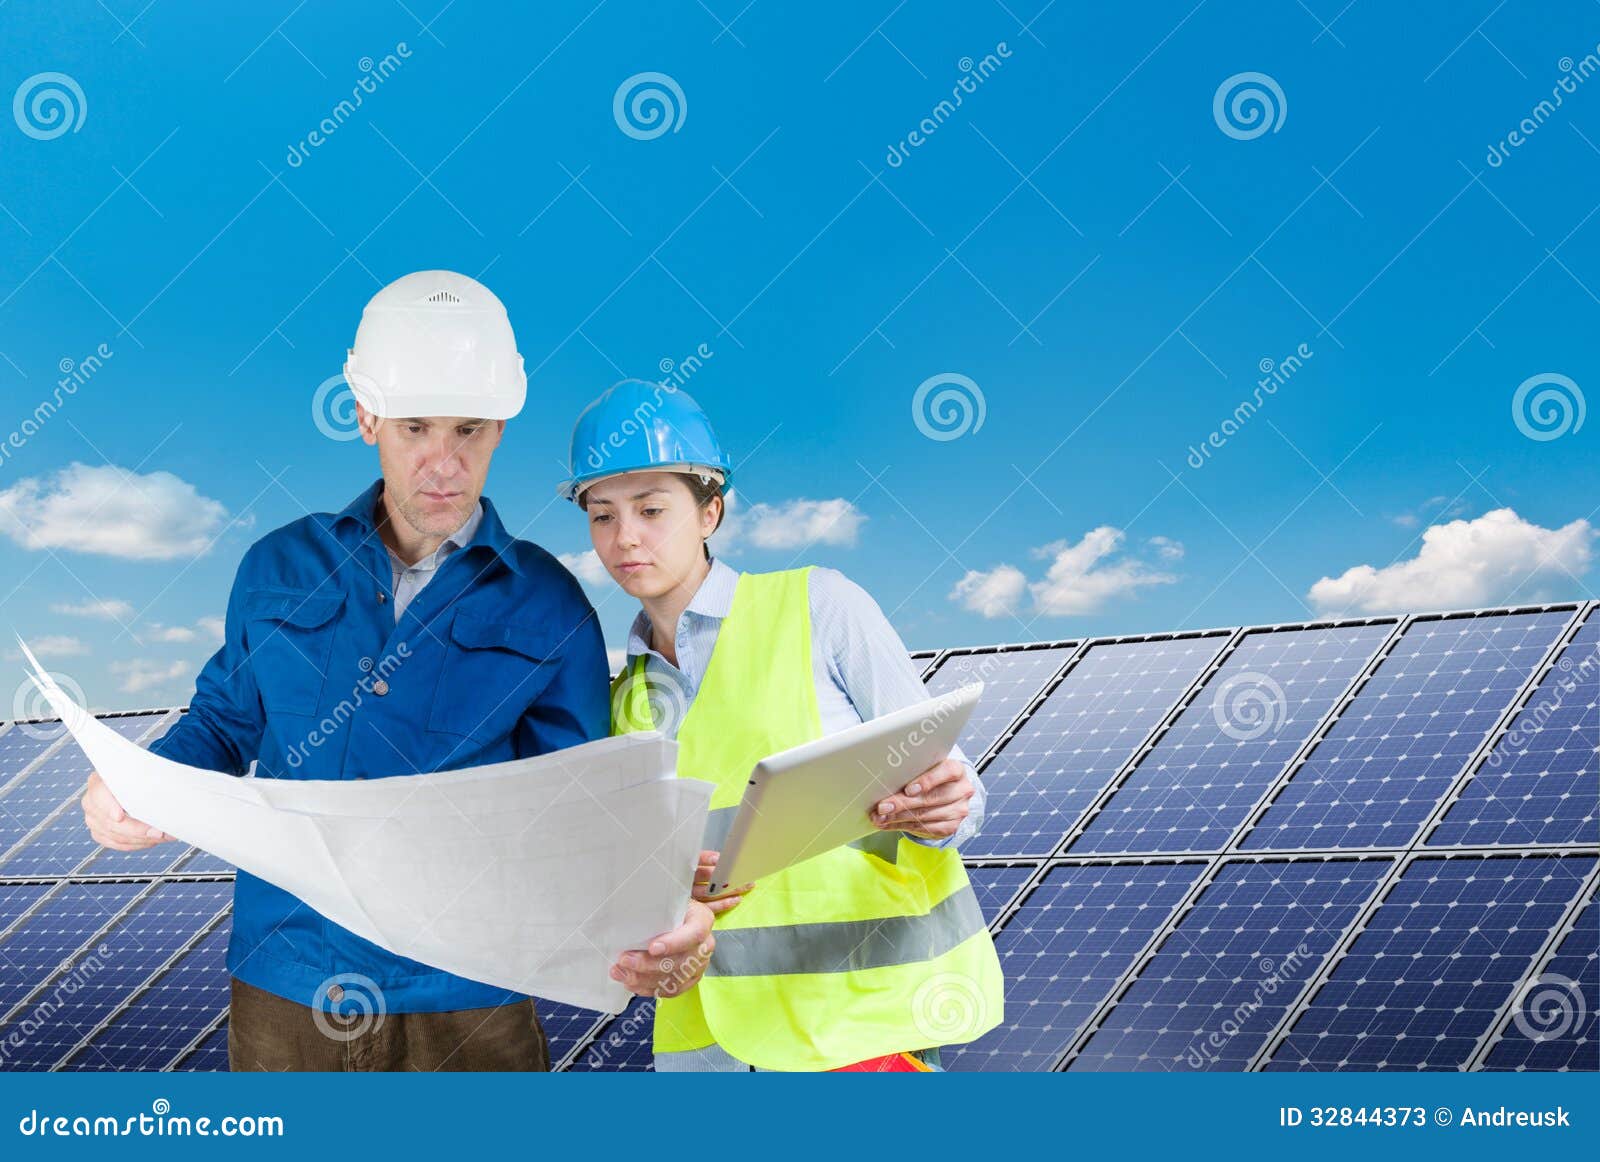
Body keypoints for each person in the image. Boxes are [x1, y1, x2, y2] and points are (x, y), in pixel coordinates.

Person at [79, 273, 714, 1072]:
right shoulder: (278, 566)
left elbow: (582, 813)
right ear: (366, 416)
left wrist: (663, 915)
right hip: (287, 987)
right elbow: (223, 722)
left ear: (501, 429)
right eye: (416, 428)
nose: (444, 464)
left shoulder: (553, 609)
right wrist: (138, 780)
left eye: (471, 431)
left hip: (470, 997)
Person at [559, 379, 1004, 1072]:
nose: (625, 537)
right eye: (602, 516)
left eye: (652, 509)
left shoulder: (821, 606)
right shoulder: (622, 702)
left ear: (711, 512)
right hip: (706, 1050)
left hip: (856, 1026)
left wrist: (947, 805)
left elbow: (948, 782)